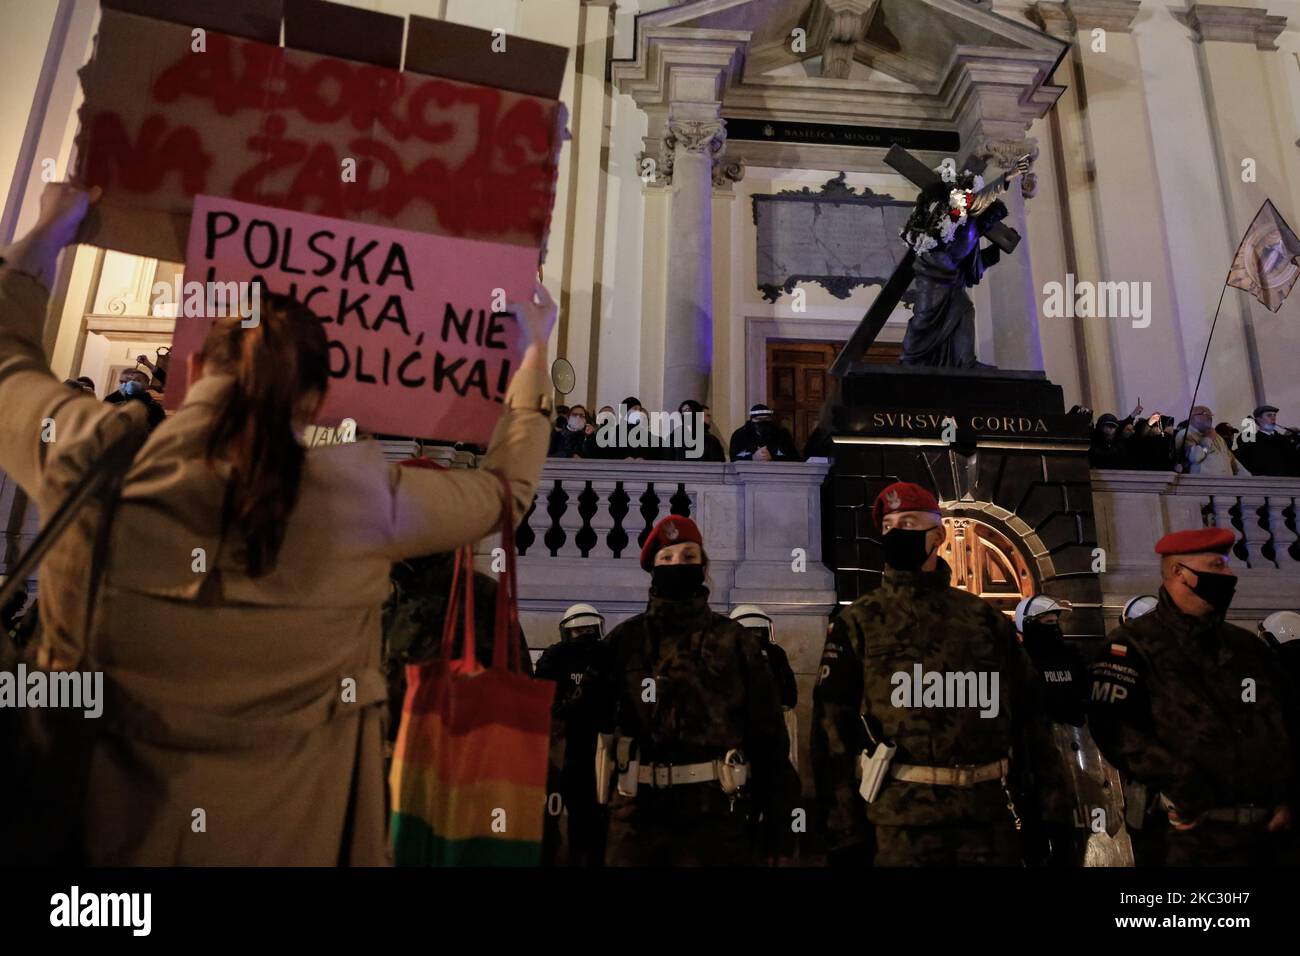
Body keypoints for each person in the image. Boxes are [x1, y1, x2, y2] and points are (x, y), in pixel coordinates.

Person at [0, 182, 558, 866]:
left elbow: (3, 357)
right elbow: (506, 492)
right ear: (318, 399)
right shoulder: (360, 498)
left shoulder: (86, 451)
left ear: (195, 367)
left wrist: (48, 232)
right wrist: (533, 355)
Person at [811, 481, 1056, 866]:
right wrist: (843, 833)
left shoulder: (983, 620)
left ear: (939, 535)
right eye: (889, 526)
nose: (896, 533)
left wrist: (1050, 813)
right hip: (900, 827)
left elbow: (1031, 720)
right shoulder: (858, 622)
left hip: (988, 821)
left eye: (908, 523)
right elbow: (831, 732)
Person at [595, 515, 800, 865]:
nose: (678, 564)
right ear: (653, 569)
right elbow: (587, 721)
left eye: (689, 556)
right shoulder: (624, 642)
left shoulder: (735, 641)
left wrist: (781, 818)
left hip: (717, 817)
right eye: (667, 558)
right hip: (637, 820)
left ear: (704, 568)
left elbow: (768, 736)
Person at [1087, 528, 1300, 866]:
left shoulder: (1247, 648)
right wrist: (1186, 788)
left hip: (1271, 837)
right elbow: (1117, 731)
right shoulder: (1130, 646)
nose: (1228, 575)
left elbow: (1288, 719)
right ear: (1179, 573)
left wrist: (1289, 795)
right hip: (1187, 837)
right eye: (1216, 566)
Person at [1013, 595, 1124, 867]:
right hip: (1038, 765)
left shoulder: (1071, 656)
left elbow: (1087, 695)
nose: (1053, 626)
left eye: (1055, 621)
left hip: (1079, 761)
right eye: (1046, 621)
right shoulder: (1020, 661)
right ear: (1028, 625)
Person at [535, 603, 612, 867]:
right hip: (578, 747)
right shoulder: (604, 656)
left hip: (586, 747)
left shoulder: (559, 656)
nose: (586, 635)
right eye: (581, 630)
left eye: (589, 630)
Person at [731, 604, 799, 770]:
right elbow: (790, 696)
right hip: (774, 724)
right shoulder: (776, 652)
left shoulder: (732, 653)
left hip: (746, 726)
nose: (757, 635)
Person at [1174, 405, 1250, 476]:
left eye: (1210, 415)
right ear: (1193, 417)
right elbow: (1195, 457)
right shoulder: (1185, 434)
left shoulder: (1218, 437)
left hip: (1226, 482)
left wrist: (1248, 477)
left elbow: (1231, 458)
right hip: (1203, 482)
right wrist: (1208, 439)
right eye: (1205, 414)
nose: (1209, 417)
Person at [1234, 404, 1300, 477]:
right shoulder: (1252, 442)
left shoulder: (1283, 440)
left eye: (1274, 415)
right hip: (1266, 482)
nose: (1273, 418)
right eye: (1269, 415)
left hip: (1289, 481)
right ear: (1259, 419)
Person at [729, 404, 800, 463]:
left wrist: (772, 457)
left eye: (766, 419)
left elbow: (794, 457)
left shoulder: (782, 434)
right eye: (758, 419)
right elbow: (734, 458)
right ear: (752, 420)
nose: (763, 422)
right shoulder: (740, 434)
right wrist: (752, 457)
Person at [104, 366, 165, 430]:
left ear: (146, 385)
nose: (130, 383)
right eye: (122, 382)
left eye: (137, 380)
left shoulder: (155, 408)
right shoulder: (112, 402)